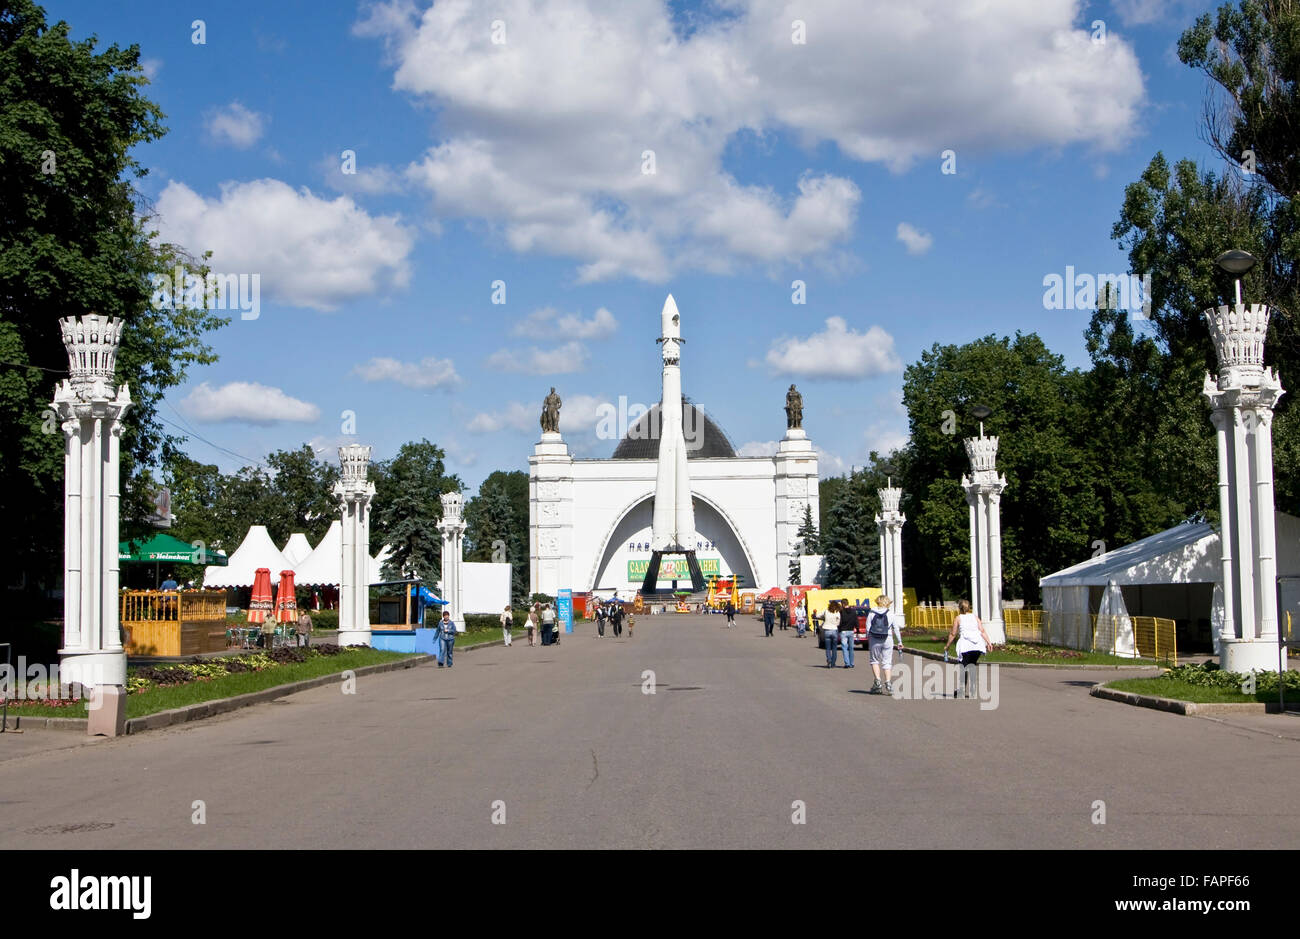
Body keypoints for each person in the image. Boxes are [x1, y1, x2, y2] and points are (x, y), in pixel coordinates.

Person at [944, 599, 992, 698]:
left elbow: (953, 634)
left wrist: (947, 646)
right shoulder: (975, 617)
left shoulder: (958, 618)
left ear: (959, 608)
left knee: (963, 667)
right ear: (969, 607)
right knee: (972, 666)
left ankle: (961, 690)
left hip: (966, 646)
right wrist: (988, 642)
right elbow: (982, 631)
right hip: (977, 645)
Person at [866, 594, 906, 694]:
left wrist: (869, 639)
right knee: (887, 662)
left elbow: (868, 628)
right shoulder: (890, 613)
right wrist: (900, 642)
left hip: (875, 638)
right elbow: (896, 628)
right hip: (887, 638)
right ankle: (888, 683)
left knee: (874, 660)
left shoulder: (871, 612)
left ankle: (878, 681)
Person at [838, 599, 858, 668]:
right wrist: (857, 628)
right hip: (851, 631)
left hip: (843, 631)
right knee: (851, 647)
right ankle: (852, 663)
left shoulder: (841, 612)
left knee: (844, 647)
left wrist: (839, 629)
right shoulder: (853, 611)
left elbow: (840, 622)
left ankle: (847, 663)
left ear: (843, 604)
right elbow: (856, 620)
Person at [821, 601, 840, 668]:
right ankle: (833, 663)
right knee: (834, 648)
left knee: (828, 648)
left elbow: (819, 615)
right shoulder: (837, 612)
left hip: (827, 630)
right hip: (834, 630)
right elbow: (838, 622)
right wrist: (836, 624)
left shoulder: (826, 611)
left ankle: (829, 659)